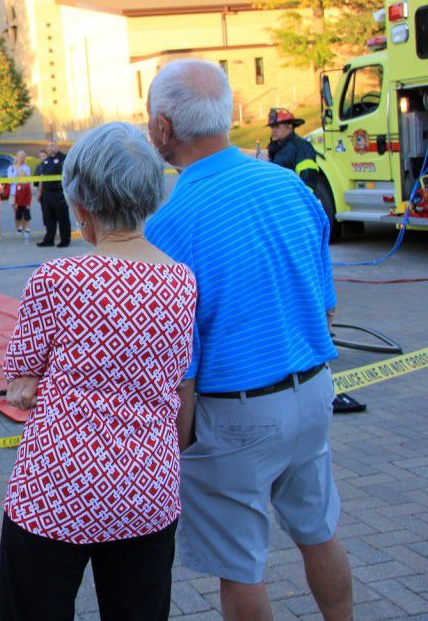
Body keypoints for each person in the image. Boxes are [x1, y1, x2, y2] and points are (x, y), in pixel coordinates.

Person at [144, 59, 353, 621]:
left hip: (236, 414)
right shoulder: (289, 186)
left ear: (162, 128)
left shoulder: (167, 227)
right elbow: (326, 303)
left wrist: (180, 444)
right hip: (312, 392)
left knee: (241, 567)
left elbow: (182, 367)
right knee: (317, 531)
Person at [0, 122, 197, 621]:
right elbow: (175, 378)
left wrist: (33, 384)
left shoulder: (56, 279)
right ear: (151, 195)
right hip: (147, 483)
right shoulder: (181, 282)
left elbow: (21, 383)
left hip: (57, 486)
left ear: (81, 204)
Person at [266, 108, 319, 185]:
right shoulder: (277, 148)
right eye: (272, 127)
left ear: (290, 126)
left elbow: (308, 180)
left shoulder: (302, 147)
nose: (273, 130)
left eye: (277, 126)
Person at [35, 140, 70, 247]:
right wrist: (40, 192)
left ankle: (65, 240)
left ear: (57, 147)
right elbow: (41, 177)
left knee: (62, 217)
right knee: (49, 218)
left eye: (52, 146)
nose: (49, 148)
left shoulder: (63, 159)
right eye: (48, 146)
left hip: (58, 193)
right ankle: (49, 240)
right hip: (46, 194)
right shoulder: (45, 161)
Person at [11, 152, 33, 238]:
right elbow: (16, 195)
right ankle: (19, 228)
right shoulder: (17, 185)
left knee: (26, 216)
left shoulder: (26, 185)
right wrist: (16, 203)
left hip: (25, 204)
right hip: (18, 203)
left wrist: (28, 204)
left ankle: (26, 228)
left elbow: (29, 195)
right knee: (18, 216)